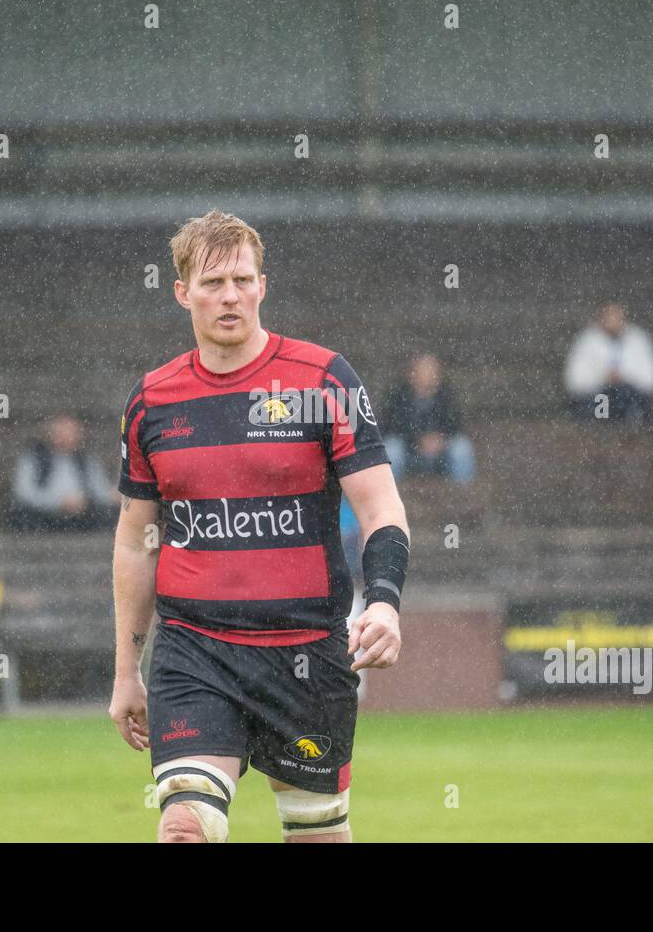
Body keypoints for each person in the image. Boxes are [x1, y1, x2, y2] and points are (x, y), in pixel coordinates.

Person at [109, 210, 410, 843]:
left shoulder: (323, 381)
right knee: (184, 828)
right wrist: (125, 671)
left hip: (307, 655)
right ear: (182, 292)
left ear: (263, 286)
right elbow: (136, 543)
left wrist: (383, 605)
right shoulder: (151, 402)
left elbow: (382, 510)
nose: (229, 296)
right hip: (195, 653)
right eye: (212, 282)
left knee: (317, 835)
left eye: (242, 280)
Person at [11, 413, 118, 531]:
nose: (68, 437)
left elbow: (99, 490)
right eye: (63, 432)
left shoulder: (85, 461)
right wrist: (58, 502)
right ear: (51, 434)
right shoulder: (34, 458)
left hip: (80, 517)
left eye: (72, 433)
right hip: (43, 516)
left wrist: (112, 495)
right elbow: (25, 493)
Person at [381, 353, 475, 484]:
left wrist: (441, 438)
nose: (428, 374)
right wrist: (416, 440)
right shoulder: (399, 395)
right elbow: (391, 425)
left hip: (442, 451)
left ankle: (464, 495)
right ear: (413, 373)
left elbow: (456, 423)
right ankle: (388, 493)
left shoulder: (447, 394)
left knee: (462, 448)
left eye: (432, 369)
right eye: (424, 369)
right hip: (409, 450)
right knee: (391, 449)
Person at [564, 303, 653, 425]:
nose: (613, 322)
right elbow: (576, 380)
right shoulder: (587, 342)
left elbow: (651, 379)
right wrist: (602, 378)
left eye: (617, 317)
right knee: (599, 405)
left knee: (631, 401)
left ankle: (631, 428)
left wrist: (624, 376)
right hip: (598, 395)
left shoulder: (637, 341)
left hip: (628, 394)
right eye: (609, 318)